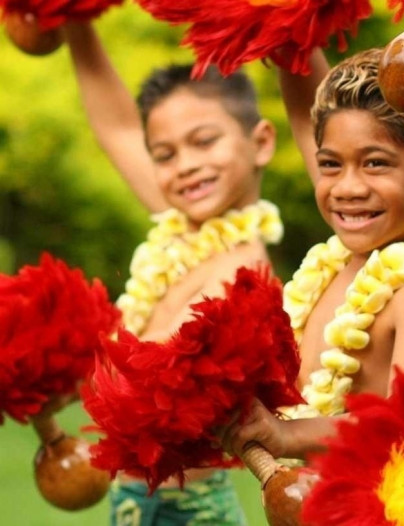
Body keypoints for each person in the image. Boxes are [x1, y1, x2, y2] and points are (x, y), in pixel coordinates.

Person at [64, 21, 283, 526]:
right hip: (133, 503)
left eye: (204, 142)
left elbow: (153, 382)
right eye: (164, 155)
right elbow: (118, 129)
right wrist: (75, 22)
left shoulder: (245, 274)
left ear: (262, 142)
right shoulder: (182, 231)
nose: (185, 165)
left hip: (189, 512)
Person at [221, 48, 404, 462]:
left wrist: (289, 435)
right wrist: (288, 32)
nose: (347, 188)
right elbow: (309, 107)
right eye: (329, 165)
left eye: (376, 163)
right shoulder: (344, 259)